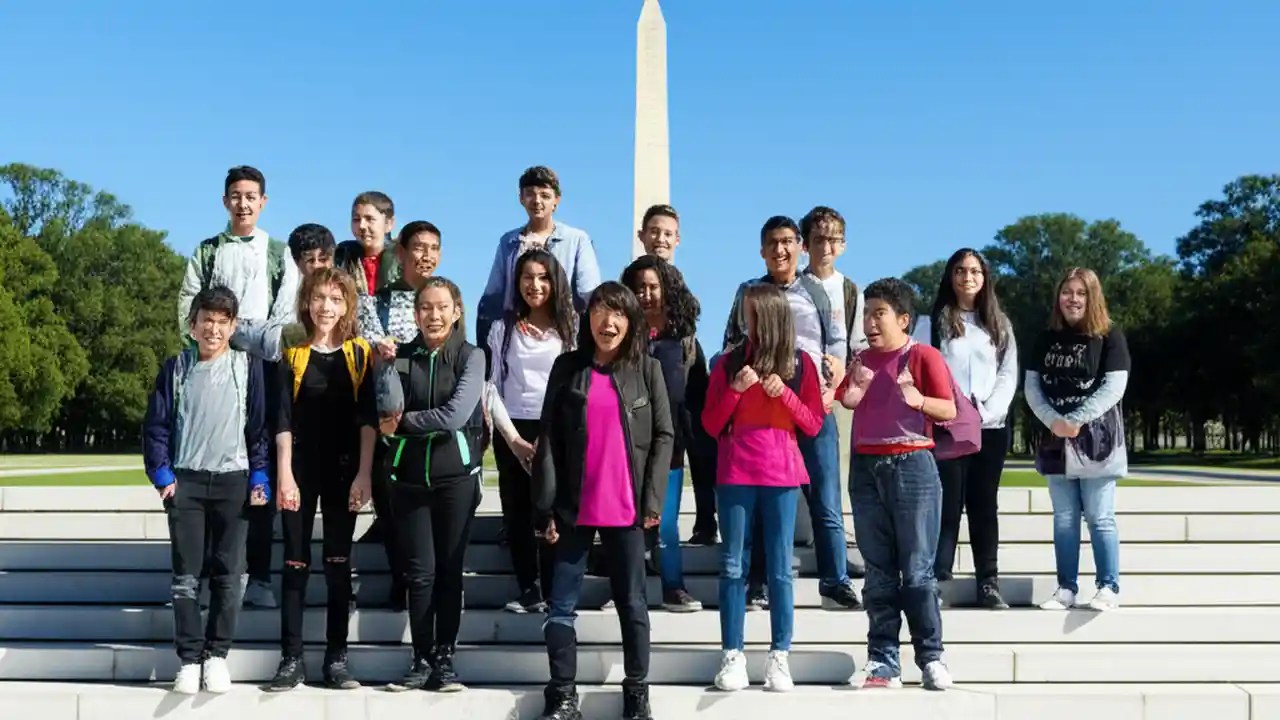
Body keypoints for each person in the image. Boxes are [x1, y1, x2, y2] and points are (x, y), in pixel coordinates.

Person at [533, 282, 673, 720]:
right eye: (599, 311)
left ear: (630, 321)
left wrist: (652, 500)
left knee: (632, 602)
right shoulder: (567, 367)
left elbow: (665, 435)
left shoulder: (646, 370)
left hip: (627, 506)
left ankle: (636, 694)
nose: (606, 322)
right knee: (561, 604)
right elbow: (550, 437)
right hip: (574, 505)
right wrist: (547, 505)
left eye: (617, 313)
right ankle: (562, 694)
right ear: (587, 317)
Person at [723, 216, 860, 611]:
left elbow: (835, 340)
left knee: (826, 498)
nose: (781, 250)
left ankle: (835, 580)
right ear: (762, 251)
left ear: (800, 246)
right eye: (772, 244)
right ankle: (759, 583)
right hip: (764, 406)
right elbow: (732, 340)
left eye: (788, 242)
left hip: (811, 401)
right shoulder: (749, 291)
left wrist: (831, 380)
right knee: (766, 500)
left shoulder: (817, 290)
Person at [142, 286, 270, 694]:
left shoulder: (248, 368)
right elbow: (156, 426)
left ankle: (217, 656)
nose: (213, 329)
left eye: (222, 322)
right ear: (193, 325)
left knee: (230, 575)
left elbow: (258, 429)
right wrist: (162, 475)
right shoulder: (176, 368)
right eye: (206, 321)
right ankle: (189, 659)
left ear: (232, 327)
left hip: (234, 481)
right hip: (187, 482)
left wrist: (260, 475)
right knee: (186, 578)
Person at [703, 283, 830, 693]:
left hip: (781, 474)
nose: (748, 321)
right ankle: (732, 655)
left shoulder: (802, 364)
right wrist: (736, 391)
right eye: (745, 313)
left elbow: (812, 423)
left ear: (772, 315)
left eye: (754, 313)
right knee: (732, 567)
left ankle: (779, 656)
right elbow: (709, 424)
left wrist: (787, 398)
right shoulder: (727, 363)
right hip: (736, 471)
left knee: (780, 570)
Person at [840, 278, 955, 691]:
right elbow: (846, 399)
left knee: (919, 572)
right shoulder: (861, 359)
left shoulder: (922, 355)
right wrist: (850, 384)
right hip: (867, 469)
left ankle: (931, 657)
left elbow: (949, 409)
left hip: (913, 466)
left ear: (903, 319)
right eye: (866, 313)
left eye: (879, 313)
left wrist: (918, 400)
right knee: (878, 572)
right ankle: (883, 659)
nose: (870, 321)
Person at [265, 268, 377, 692]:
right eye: (318, 298)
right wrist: (285, 476)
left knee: (337, 565)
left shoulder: (358, 354)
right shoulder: (292, 355)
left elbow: (368, 420)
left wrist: (364, 474)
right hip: (300, 472)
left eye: (335, 299)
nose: (326, 307)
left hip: (345, 471)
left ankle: (336, 658)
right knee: (295, 564)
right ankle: (291, 658)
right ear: (306, 303)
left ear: (347, 305)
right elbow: (283, 421)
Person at [383, 277, 487, 693]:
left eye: (442, 306)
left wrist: (407, 424)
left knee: (448, 571)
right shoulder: (402, 356)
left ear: (456, 311)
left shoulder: (471, 355)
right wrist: (384, 367)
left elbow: (455, 415)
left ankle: (445, 657)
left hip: (455, 479)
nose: (433, 314)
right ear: (415, 313)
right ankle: (421, 657)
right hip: (408, 480)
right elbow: (386, 410)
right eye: (425, 307)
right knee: (419, 574)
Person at [241, 223, 337, 610]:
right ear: (296, 263)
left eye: (322, 259)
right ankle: (260, 577)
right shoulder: (282, 295)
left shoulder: (340, 294)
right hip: (280, 402)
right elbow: (242, 328)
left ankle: (337, 586)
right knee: (266, 485)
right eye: (307, 260)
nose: (315, 266)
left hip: (327, 410)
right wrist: (288, 336)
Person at [915, 248, 1018, 609]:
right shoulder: (932, 323)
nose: (968, 277)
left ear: (985, 277)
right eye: (961, 271)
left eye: (975, 271)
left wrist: (989, 412)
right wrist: (948, 412)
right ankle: (938, 576)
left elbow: (1008, 373)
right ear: (951, 276)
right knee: (946, 504)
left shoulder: (999, 323)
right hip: (947, 426)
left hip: (990, 426)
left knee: (983, 504)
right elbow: (922, 370)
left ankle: (987, 581)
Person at [1026, 267, 1129, 612]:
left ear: (1092, 297)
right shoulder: (1045, 338)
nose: (1073, 299)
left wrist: (1075, 419)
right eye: (1067, 292)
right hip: (1055, 439)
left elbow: (1114, 386)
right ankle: (1066, 588)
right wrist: (1053, 421)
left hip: (1097, 441)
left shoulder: (1110, 336)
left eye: (1081, 293)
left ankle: (1108, 587)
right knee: (1065, 518)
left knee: (1100, 517)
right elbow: (1031, 387)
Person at [355, 220, 443, 611]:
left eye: (434, 248)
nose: (426, 256)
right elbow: (372, 354)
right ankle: (401, 579)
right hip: (389, 422)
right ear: (402, 253)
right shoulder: (377, 301)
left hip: (435, 420)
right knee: (392, 509)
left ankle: (428, 583)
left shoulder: (447, 297)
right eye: (419, 247)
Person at [488, 249, 577, 614]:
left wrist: (550, 434)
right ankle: (529, 588)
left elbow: (577, 385)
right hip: (513, 429)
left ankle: (557, 590)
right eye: (527, 277)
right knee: (517, 513)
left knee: (552, 511)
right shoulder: (502, 328)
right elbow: (491, 386)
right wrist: (514, 440)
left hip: (555, 428)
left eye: (543, 277)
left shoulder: (572, 327)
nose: (535, 285)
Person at [622, 255, 707, 612]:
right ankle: (626, 589)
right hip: (625, 445)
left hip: (669, 447)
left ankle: (673, 587)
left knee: (667, 524)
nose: (646, 294)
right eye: (639, 287)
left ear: (667, 289)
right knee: (626, 524)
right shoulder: (622, 336)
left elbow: (697, 397)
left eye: (653, 286)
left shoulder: (685, 341)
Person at [638, 204, 717, 545]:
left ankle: (705, 520)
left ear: (677, 240)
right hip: (647, 366)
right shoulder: (634, 277)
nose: (660, 239)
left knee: (699, 442)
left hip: (684, 362)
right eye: (654, 231)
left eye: (667, 233)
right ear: (642, 236)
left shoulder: (680, 282)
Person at [476, 166, 601, 351]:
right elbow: (494, 295)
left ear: (556, 200)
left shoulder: (577, 240)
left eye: (544, 195)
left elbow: (589, 295)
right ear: (521, 198)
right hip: (517, 339)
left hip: (562, 338)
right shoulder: (508, 242)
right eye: (530, 194)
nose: (537, 201)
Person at [177, 166, 299, 342]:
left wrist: (270, 344)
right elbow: (189, 298)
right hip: (214, 350)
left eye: (250, 197)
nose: (243, 204)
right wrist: (195, 344)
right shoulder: (207, 251)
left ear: (262, 202)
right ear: (225, 201)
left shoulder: (278, 252)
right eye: (236, 197)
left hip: (262, 355)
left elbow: (286, 307)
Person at [335, 191, 401, 296]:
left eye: (369, 219)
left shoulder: (403, 261)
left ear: (389, 223)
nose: (362, 225)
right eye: (356, 219)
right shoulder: (342, 258)